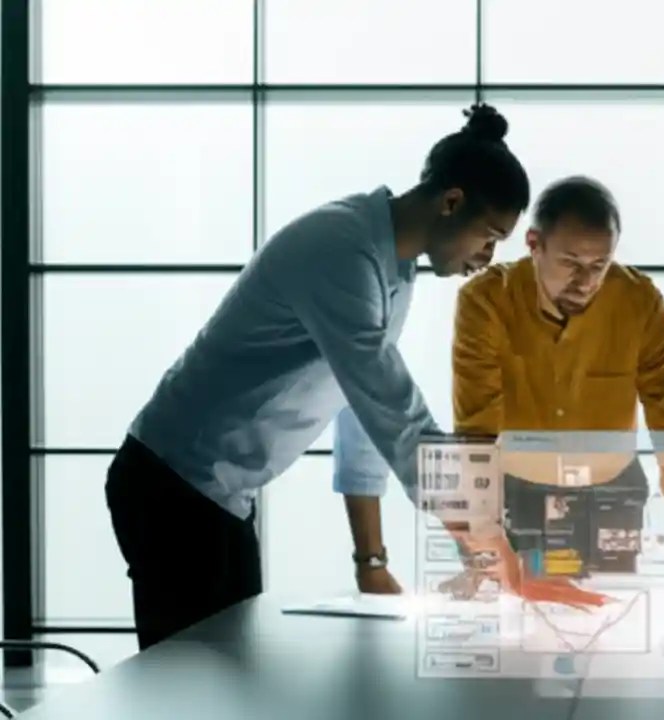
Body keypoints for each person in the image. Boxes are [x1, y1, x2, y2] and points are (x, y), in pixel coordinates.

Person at [104, 103, 560, 651]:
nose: (486, 258)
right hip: (169, 483)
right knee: (184, 689)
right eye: (488, 237)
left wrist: (372, 561)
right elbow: (395, 409)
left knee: (228, 679)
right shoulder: (342, 248)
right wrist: (480, 530)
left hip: (223, 494)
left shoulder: (394, 269)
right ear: (451, 202)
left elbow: (362, 413)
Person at [448, 176, 664, 584]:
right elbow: (476, 429)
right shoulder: (486, 300)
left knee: (613, 620)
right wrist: (482, 536)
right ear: (534, 244)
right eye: (571, 264)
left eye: (600, 265)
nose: (586, 282)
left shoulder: (638, 300)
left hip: (613, 490)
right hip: (515, 492)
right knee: (512, 626)